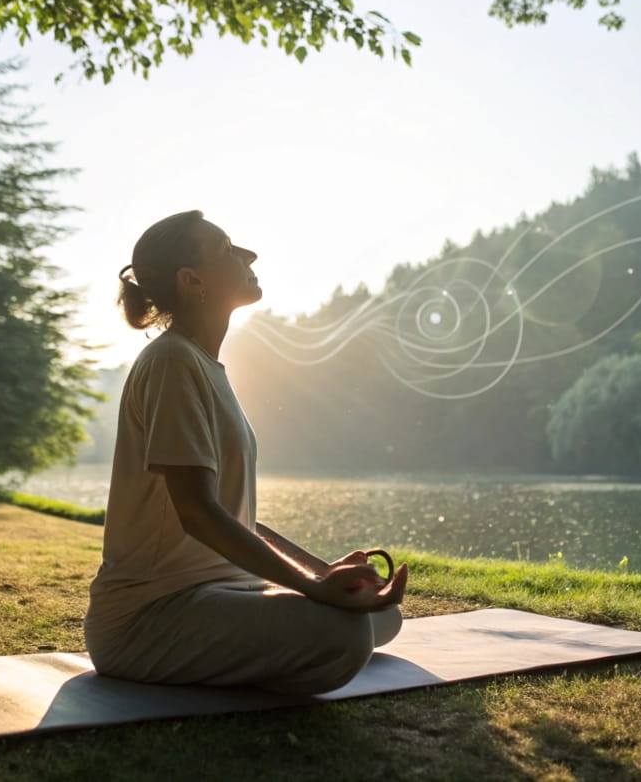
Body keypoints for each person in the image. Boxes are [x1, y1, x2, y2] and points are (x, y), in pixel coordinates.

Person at [84, 210, 407, 695]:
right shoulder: (172, 361)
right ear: (192, 280)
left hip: (221, 591)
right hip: (147, 618)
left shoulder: (204, 364)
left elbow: (234, 517)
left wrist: (323, 573)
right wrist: (314, 590)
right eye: (227, 249)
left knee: (383, 615)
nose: (248, 255)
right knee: (345, 633)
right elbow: (199, 513)